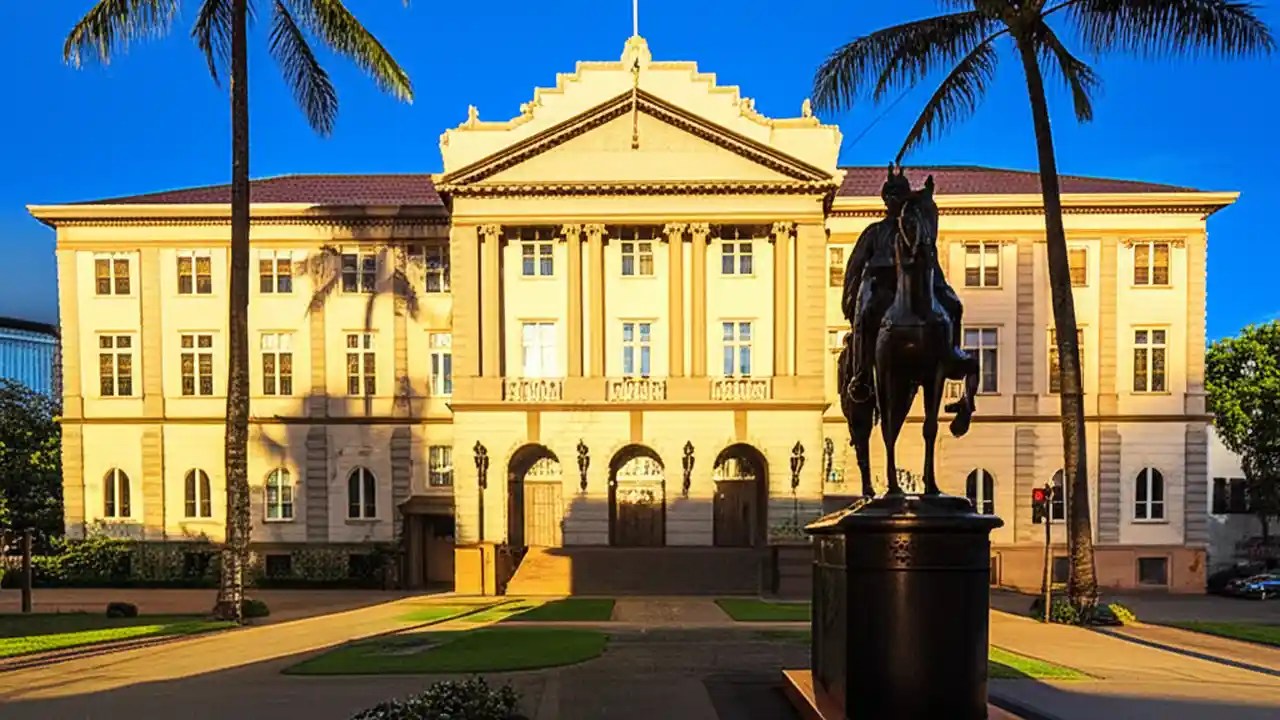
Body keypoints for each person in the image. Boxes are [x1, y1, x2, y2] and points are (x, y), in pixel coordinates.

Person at [842, 165, 976, 425]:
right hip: (882, 288)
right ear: (885, 200)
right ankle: (861, 375)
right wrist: (851, 297)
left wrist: (940, 286)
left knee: (955, 307)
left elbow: (930, 261)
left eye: (899, 196)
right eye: (890, 197)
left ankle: (952, 353)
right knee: (865, 316)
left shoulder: (916, 230)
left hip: (918, 287)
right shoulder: (874, 232)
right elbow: (855, 267)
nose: (894, 202)